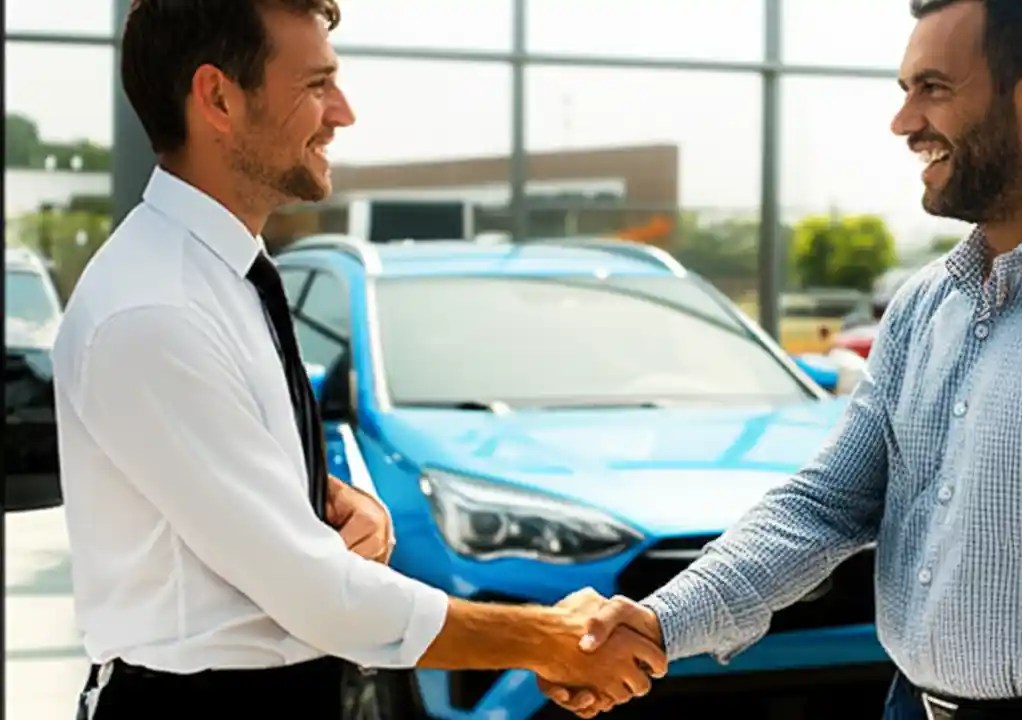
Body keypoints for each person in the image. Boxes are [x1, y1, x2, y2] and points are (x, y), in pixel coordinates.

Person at [538, 0, 1022, 718]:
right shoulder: (929, 304)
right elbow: (824, 506)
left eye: (934, 89)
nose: (904, 123)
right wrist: (661, 623)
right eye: (905, 91)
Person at [54, 1, 664, 717]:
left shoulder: (220, 277)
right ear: (218, 98)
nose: (342, 113)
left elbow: (234, 508)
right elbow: (318, 596)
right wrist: (550, 638)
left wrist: (332, 504)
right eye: (315, 86)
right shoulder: (153, 311)